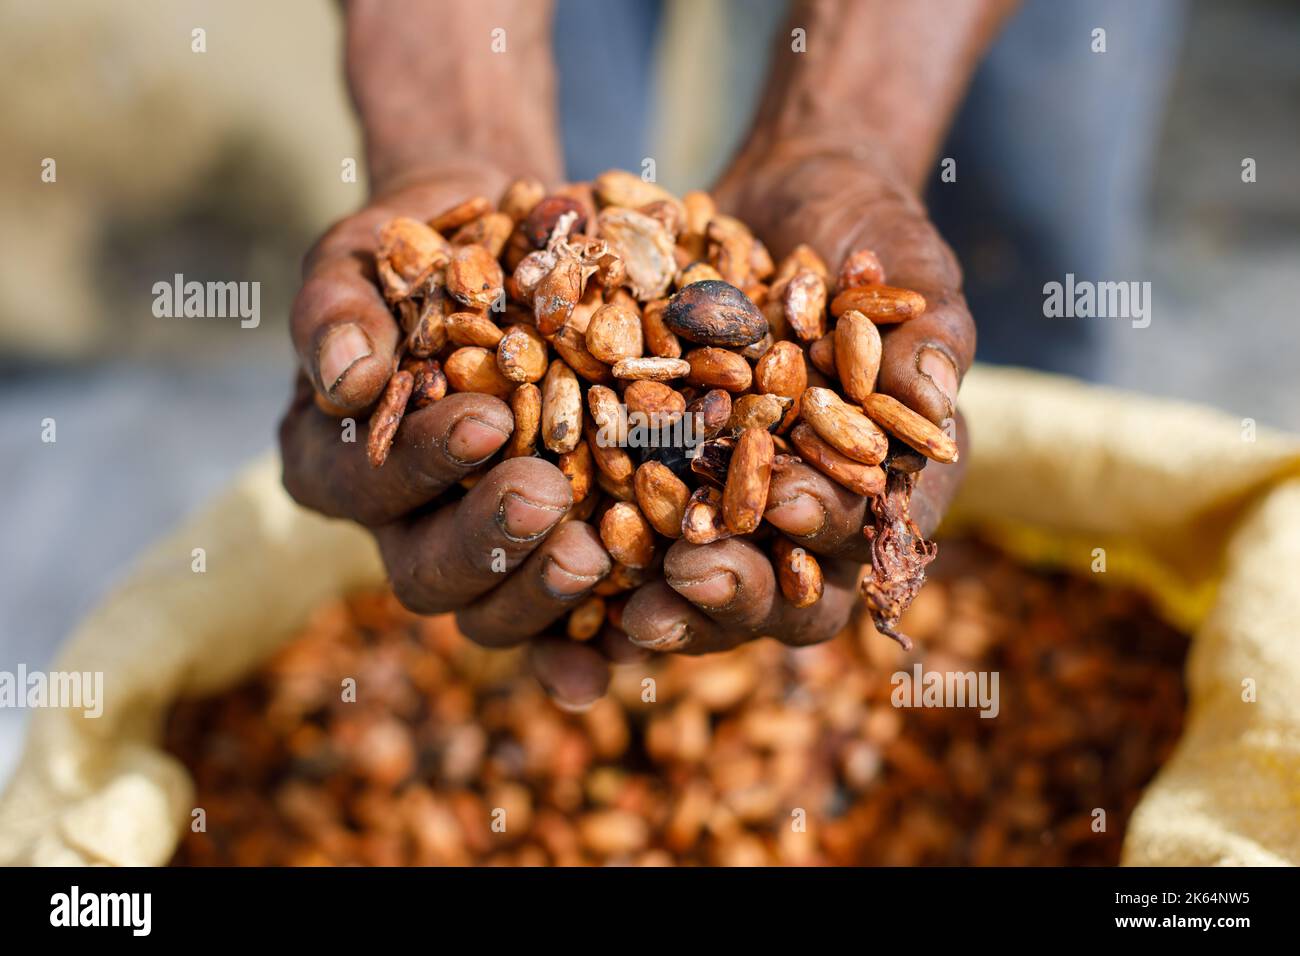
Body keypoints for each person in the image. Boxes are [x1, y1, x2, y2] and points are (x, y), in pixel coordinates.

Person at [279, 0, 1011, 709]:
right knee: (589, 84)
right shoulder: (573, 348)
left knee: (1024, 213)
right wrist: (451, 129)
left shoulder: (697, 367)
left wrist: (849, 136)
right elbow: (608, 373)